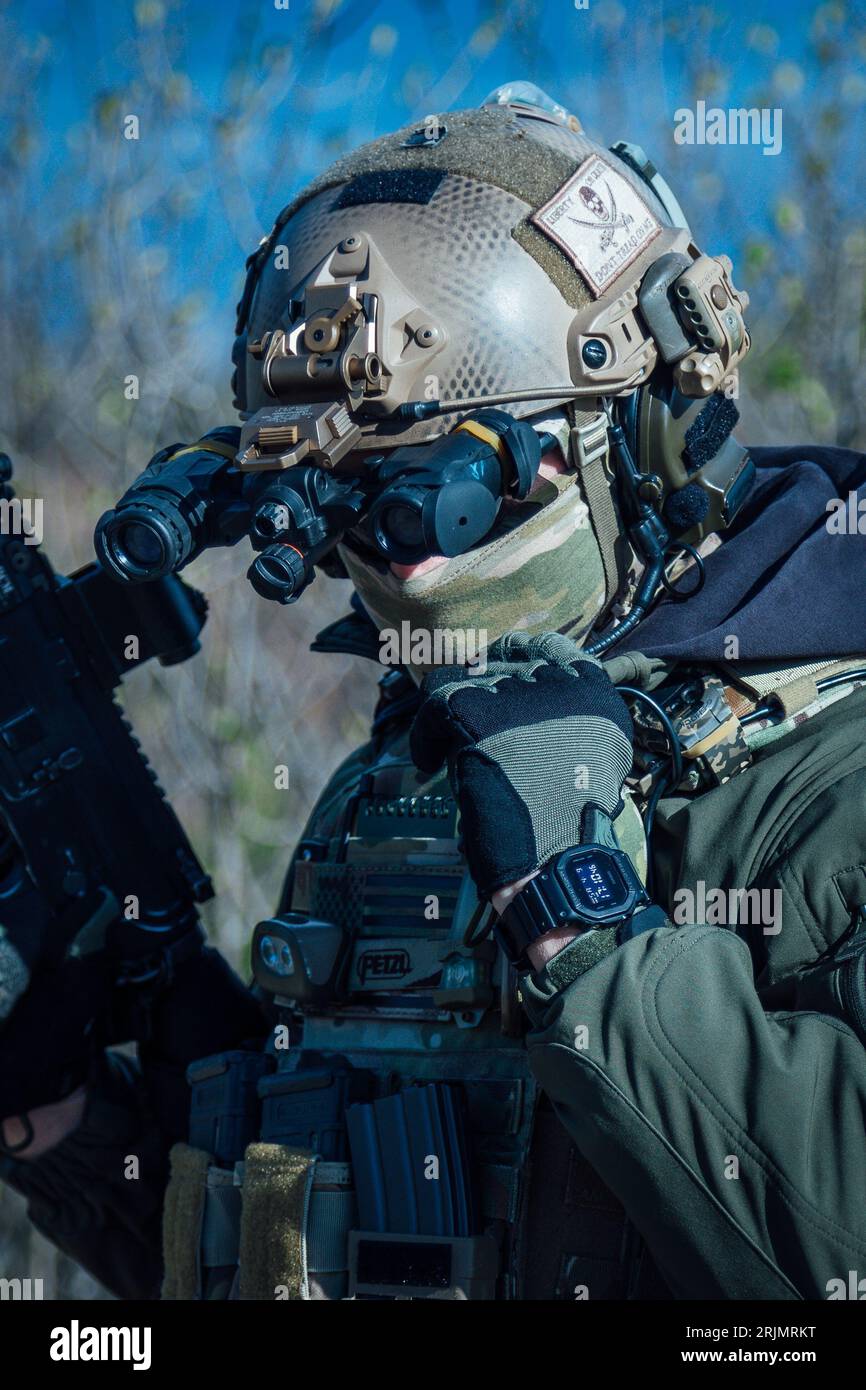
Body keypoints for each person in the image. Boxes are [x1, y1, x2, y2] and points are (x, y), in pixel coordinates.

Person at [3, 84, 866, 1300]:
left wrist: (586, 934)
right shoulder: (397, 774)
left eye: (464, 483)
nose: (403, 558)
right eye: (359, 497)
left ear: (649, 429)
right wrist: (67, 1113)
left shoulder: (833, 781)